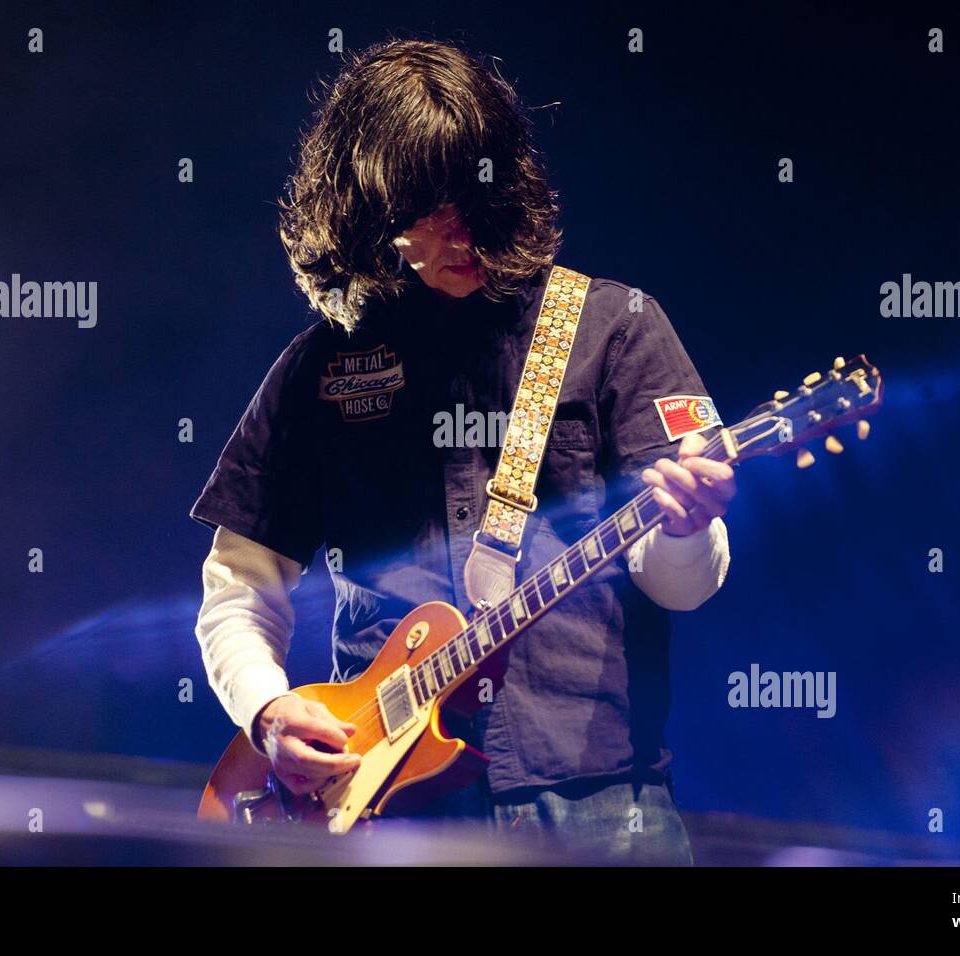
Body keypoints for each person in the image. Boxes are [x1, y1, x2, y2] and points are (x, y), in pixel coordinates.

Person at [190, 37, 735, 865]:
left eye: (468, 199)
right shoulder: (322, 367)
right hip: (388, 807)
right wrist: (267, 712)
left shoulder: (613, 327)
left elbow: (684, 588)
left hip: (599, 807)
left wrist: (690, 526)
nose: (456, 233)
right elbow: (238, 591)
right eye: (422, 210)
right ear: (364, 215)